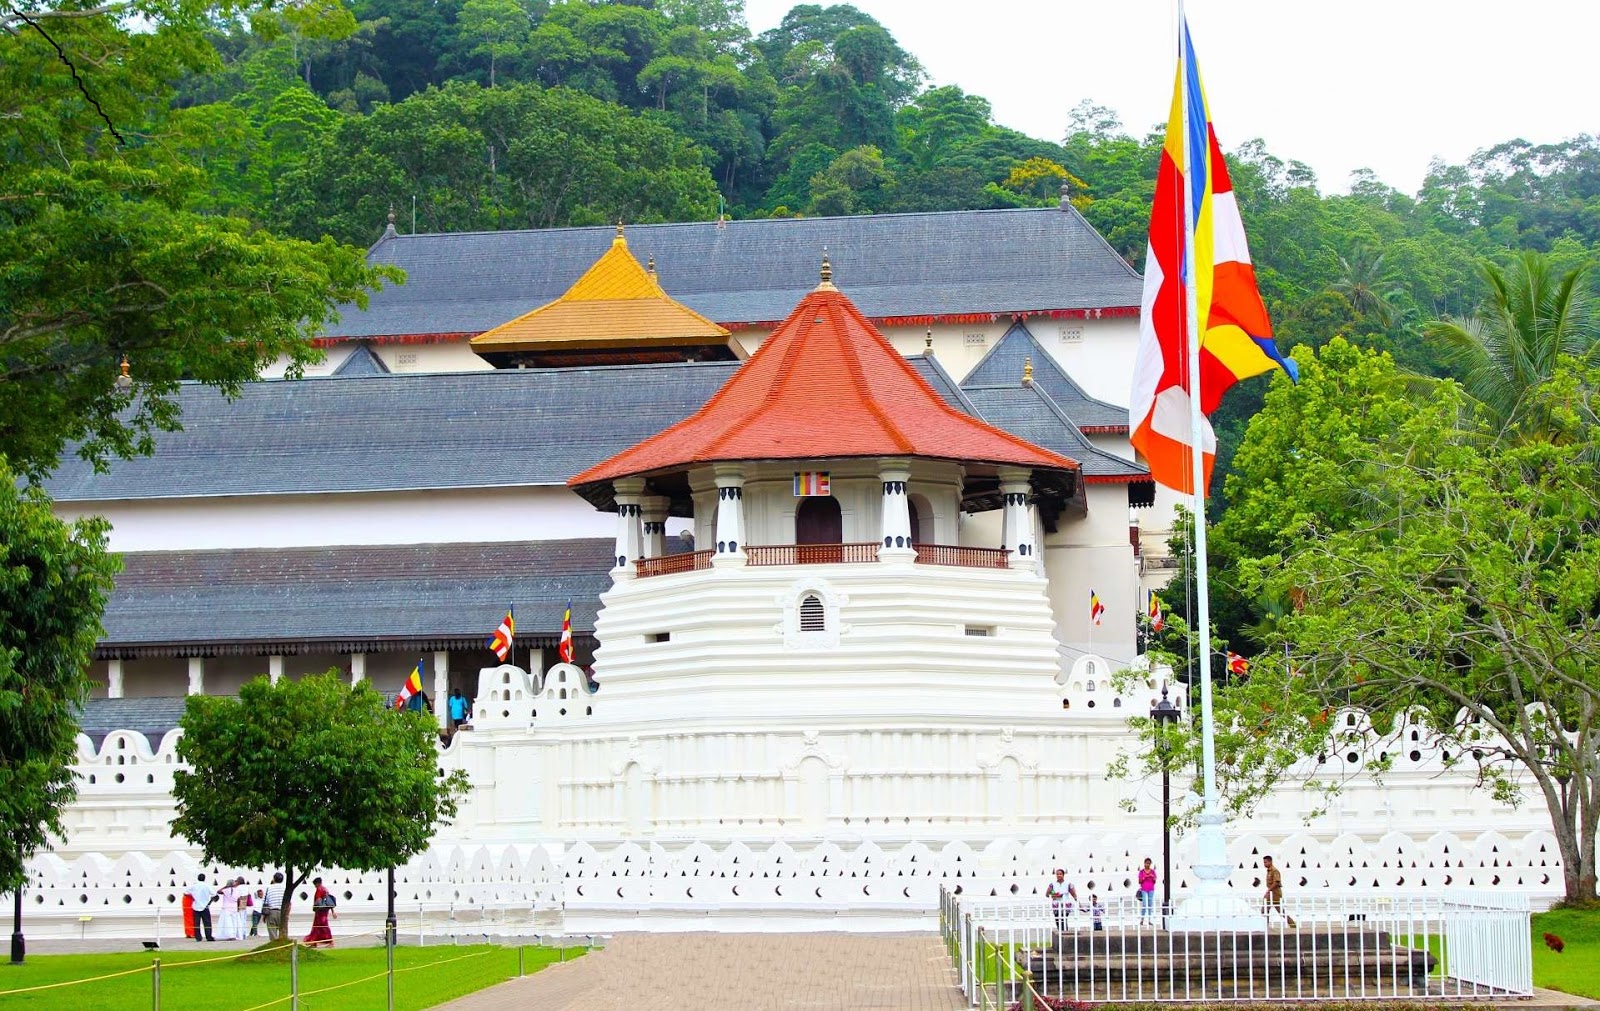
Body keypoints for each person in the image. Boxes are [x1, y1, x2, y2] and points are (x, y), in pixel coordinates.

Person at [1263, 855, 1297, 928]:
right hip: (1271, 893)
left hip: (1274, 894)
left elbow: (1276, 882)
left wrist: (1268, 890)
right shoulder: (1269, 871)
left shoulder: (1274, 871)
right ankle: (1293, 925)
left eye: (1266, 862)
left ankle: (1293, 925)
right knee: (1267, 910)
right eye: (1264, 862)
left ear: (1270, 862)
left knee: (1266, 909)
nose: (1264, 864)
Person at [304, 877, 336, 947]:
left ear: (317, 883)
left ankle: (330, 942)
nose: (314, 886)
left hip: (320, 911)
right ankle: (314, 942)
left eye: (315, 884)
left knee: (323, 926)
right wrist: (333, 911)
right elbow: (329, 902)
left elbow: (318, 900)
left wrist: (314, 908)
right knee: (317, 926)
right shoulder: (325, 889)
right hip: (325, 911)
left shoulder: (319, 889)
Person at [184, 873, 216, 942]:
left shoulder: (194, 886)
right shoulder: (207, 886)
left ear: (198, 878)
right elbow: (214, 894)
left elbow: (185, 893)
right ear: (204, 878)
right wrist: (209, 902)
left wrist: (194, 896)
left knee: (196, 923)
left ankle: (198, 937)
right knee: (207, 922)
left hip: (196, 906)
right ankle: (208, 936)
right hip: (205, 906)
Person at [1044, 868, 1077, 933]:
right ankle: (1060, 933)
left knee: (1064, 919)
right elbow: (1047, 894)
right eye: (1057, 874)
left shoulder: (1068, 884)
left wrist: (1077, 900)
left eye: (1060, 874)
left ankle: (1065, 933)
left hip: (1065, 904)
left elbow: (1073, 894)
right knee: (1057, 919)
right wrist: (1055, 894)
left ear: (1063, 875)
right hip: (1056, 904)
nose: (1059, 875)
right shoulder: (1052, 884)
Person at [262, 872, 286, 941]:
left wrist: (264, 915)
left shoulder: (269, 888)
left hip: (271, 912)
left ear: (274, 879)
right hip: (282, 912)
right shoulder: (285, 888)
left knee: (272, 933)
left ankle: (274, 946)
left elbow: (266, 902)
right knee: (282, 933)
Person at [1138, 857, 1158, 925]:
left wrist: (1152, 877)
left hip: (1151, 889)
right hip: (1144, 889)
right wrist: (1144, 877)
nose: (1148, 865)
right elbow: (1139, 881)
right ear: (1144, 863)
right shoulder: (1141, 872)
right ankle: (1142, 919)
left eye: (1149, 863)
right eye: (1147, 863)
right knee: (1144, 904)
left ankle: (1149, 920)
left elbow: (1155, 881)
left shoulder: (1152, 871)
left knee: (1150, 904)